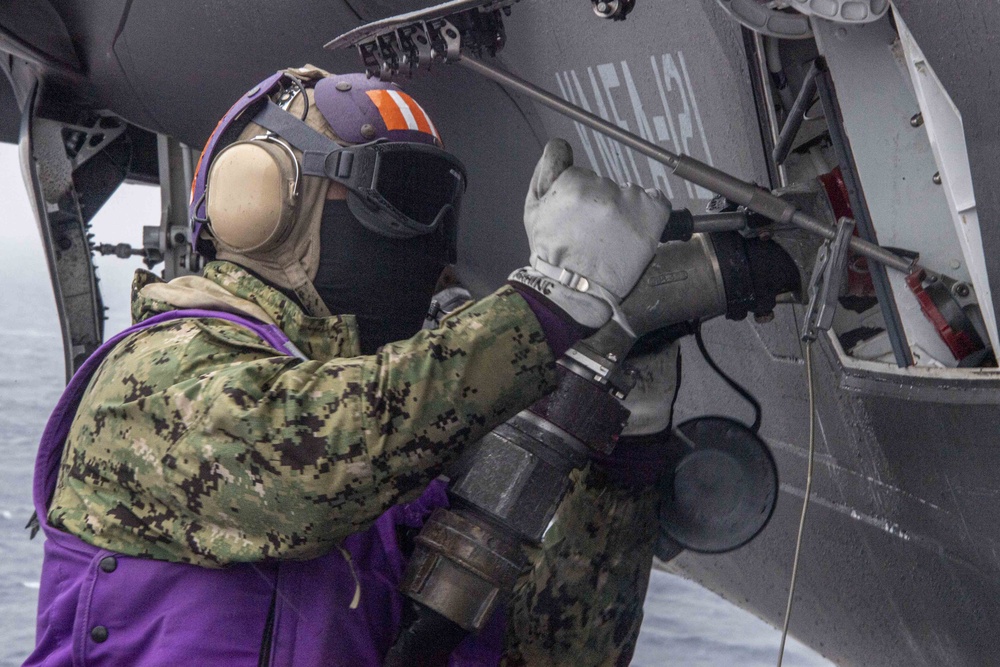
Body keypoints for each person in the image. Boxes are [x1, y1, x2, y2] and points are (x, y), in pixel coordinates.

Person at [27, 65, 675, 666]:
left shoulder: (397, 480)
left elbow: (549, 654)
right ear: (256, 200)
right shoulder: (152, 384)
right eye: (396, 194)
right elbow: (309, 455)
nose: (425, 234)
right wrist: (552, 304)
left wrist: (622, 453)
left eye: (433, 204)